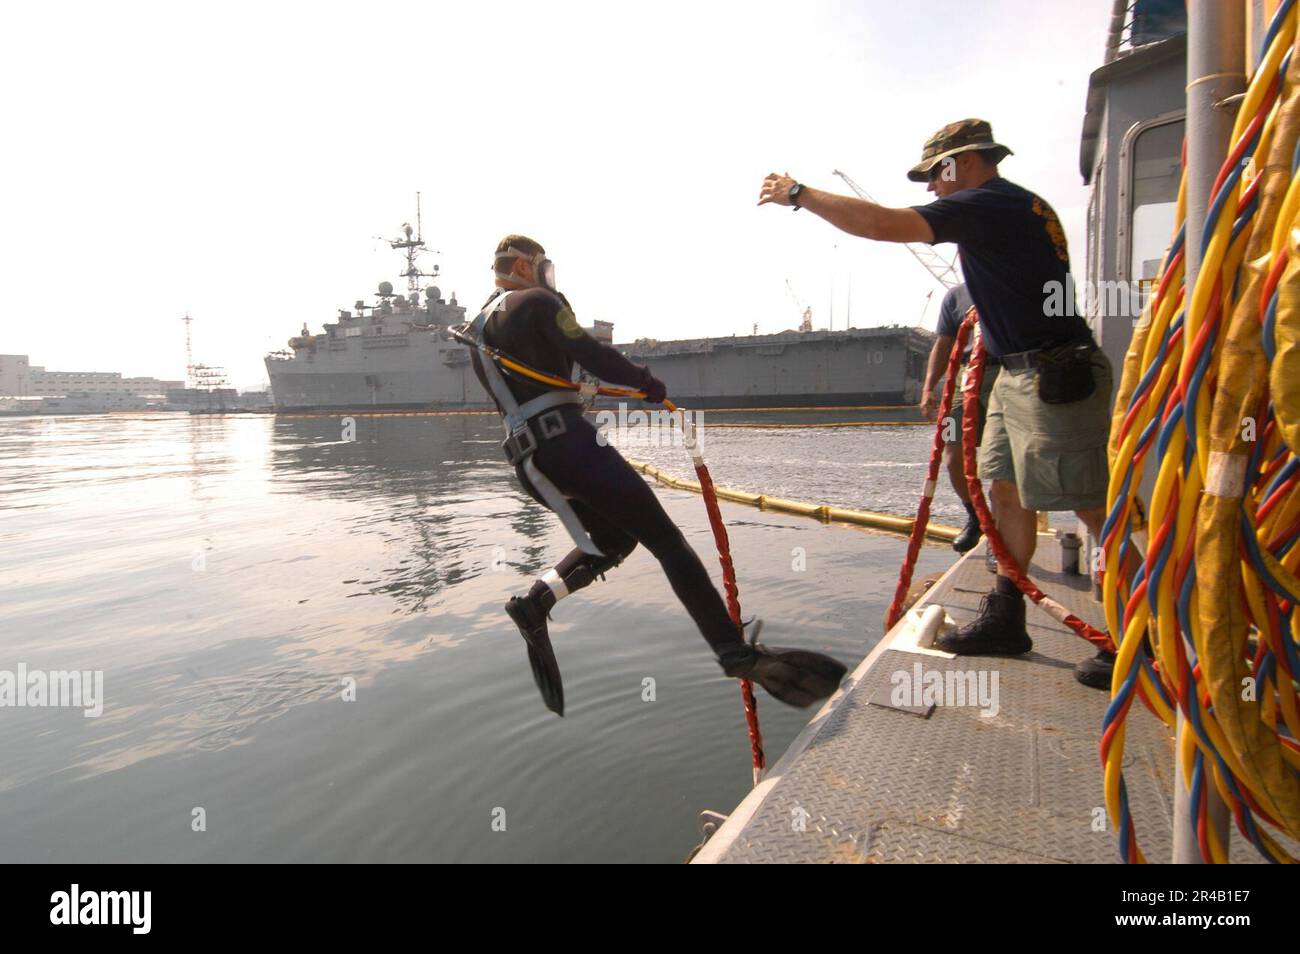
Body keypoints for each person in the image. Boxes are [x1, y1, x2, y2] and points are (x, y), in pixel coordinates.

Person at [759, 119, 1115, 689]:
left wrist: (799, 194)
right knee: (1004, 491)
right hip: (1019, 374)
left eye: (935, 173)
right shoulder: (1013, 206)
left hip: (1055, 374)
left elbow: (881, 224)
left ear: (965, 162)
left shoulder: (989, 202)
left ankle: (1142, 636)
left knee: (1094, 508)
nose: (931, 186)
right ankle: (1007, 616)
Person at [461, 235, 847, 715]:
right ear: (523, 265)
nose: (547, 278)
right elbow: (591, 351)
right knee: (670, 544)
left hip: (528, 462)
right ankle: (733, 651)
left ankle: (536, 603)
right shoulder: (539, 301)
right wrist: (646, 382)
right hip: (570, 444)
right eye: (543, 268)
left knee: (613, 541)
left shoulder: (476, 331)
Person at [918, 281, 999, 553]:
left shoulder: (1007, 278)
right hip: (966, 380)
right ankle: (976, 515)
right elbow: (943, 344)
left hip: (1006, 374)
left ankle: (999, 532)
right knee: (952, 455)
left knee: (1004, 462)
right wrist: (930, 386)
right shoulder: (954, 297)